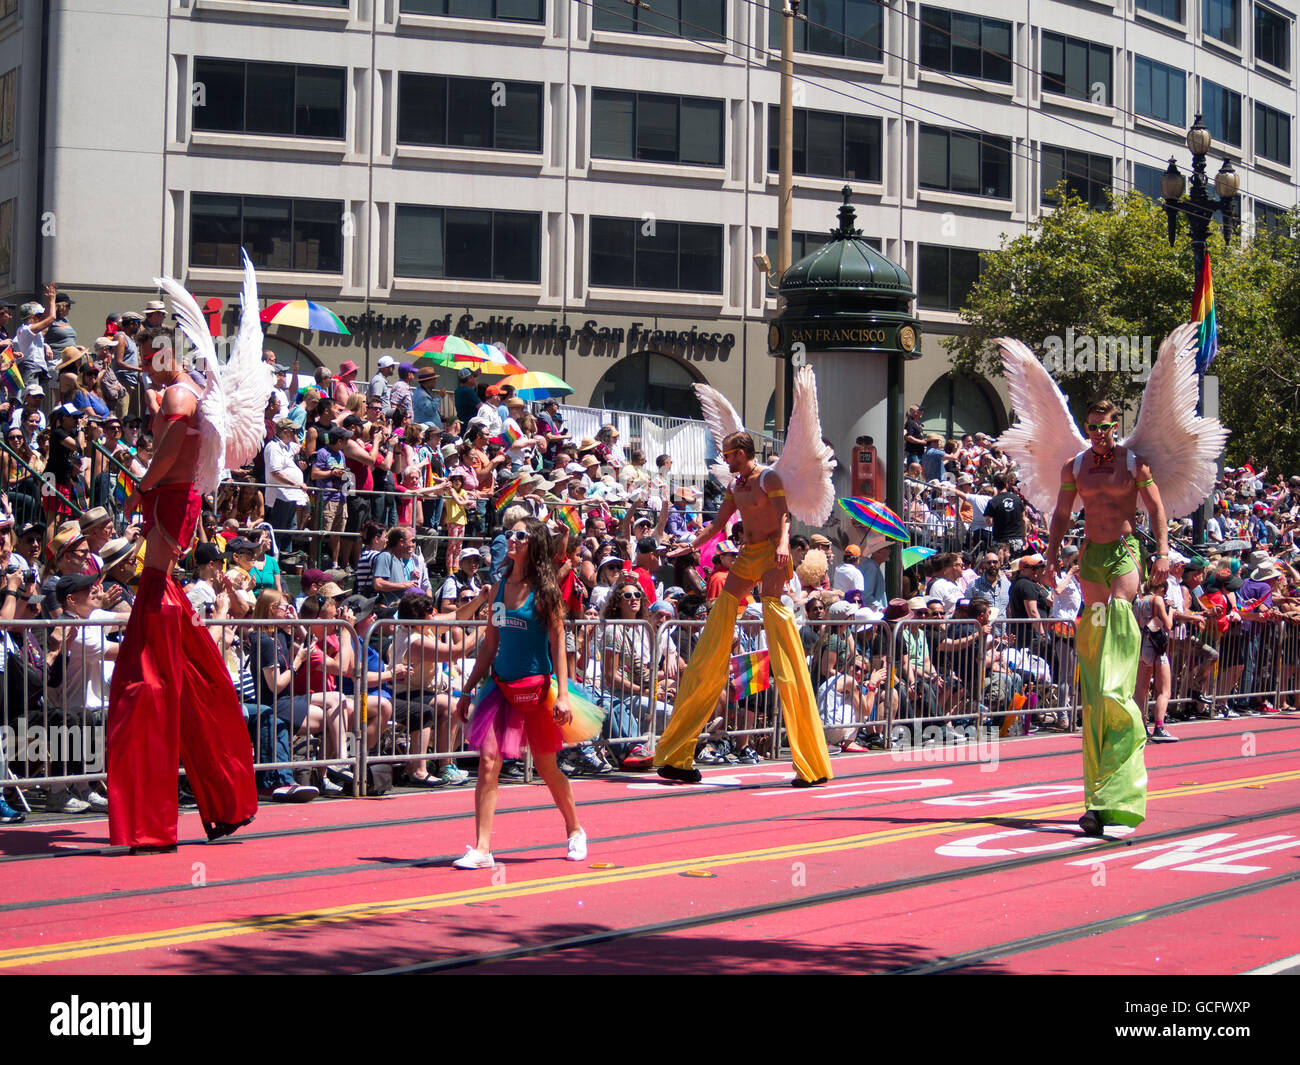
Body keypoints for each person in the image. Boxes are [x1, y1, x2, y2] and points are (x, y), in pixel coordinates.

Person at [106, 320, 259, 853]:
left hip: (169, 506)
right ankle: (222, 797)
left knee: (146, 681)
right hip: (173, 510)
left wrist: (139, 484)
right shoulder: (186, 390)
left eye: (150, 350)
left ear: (168, 350)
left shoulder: (178, 393)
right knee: (178, 667)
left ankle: (153, 819)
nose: (143, 358)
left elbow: (168, 454)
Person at [654, 430, 833, 787]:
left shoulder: (768, 477)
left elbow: (785, 516)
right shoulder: (736, 486)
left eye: (729, 454)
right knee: (720, 619)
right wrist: (688, 545)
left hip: (771, 554)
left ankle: (809, 763)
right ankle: (678, 754)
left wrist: (783, 545)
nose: (725, 459)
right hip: (749, 556)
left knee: (776, 622)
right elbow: (718, 526)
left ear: (741, 452)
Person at [1044, 399, 1167, 837]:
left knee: (1115, 645)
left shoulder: (1134, 463)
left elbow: (1155, 509)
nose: (1099, 433)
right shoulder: (1073, 466)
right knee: (1096, 679)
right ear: (1087, 426)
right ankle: (1098, 798)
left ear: (1117, 426)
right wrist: (1051, 555)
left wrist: (1164, 554)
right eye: (1093, 426)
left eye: (1106, 426)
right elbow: (1061, 514)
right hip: (1091, 558)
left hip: (1123, 552)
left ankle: (1119, 788)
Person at [450, 517, 587, 869]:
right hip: (500, 689)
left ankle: (575, 830)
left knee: (547, 767)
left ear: (533, 545)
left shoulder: (546, 591)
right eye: (511, 533)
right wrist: (467, 690)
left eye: (521, 534)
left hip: (539, 689)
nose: (512, 538)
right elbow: (490, 644)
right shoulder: (496, 589)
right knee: (488, 765)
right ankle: (482, 848)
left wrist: (564, 694)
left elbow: (558, 643)